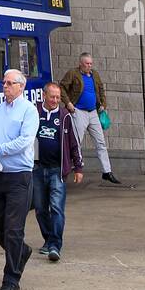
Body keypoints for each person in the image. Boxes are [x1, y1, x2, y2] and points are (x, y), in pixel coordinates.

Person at [0, 68, 39, 290]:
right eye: (3, 82)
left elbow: (25, 142)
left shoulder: (29, 111)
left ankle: (11, 278)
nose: (5, 86)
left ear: (21, 86)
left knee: (14, 228)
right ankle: (20, 251)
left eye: (9, 83)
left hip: (19, 176)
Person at [32, 81, 83, 262]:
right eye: (52, 97)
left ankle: (55, 245)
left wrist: (78, 167)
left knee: (56, 208)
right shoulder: (34, 113)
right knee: (40, 209)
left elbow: (74, 144)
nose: (55, 100)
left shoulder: (64, 116)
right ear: (44, 95)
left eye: (58, 97)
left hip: (57, 170)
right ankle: (48, 239)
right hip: (37, 169)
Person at [59, 52, 121, 183]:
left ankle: (107, 171)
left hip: (93, 112)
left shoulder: (95, 74)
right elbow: (62, 87)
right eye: (87, 63)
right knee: (75, 142)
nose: (89, 66)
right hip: (79, 111)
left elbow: (101, 89)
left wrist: (103, 104)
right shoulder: (73, 73)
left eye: (91, 63)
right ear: (81, 63)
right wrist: (68, 103)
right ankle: (66, 168)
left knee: (101, 142)